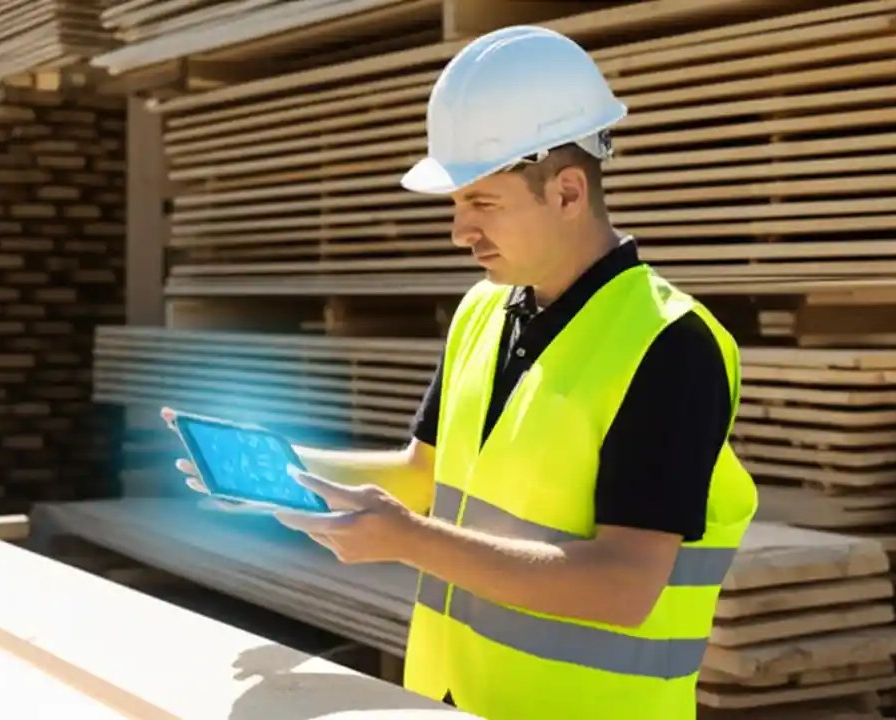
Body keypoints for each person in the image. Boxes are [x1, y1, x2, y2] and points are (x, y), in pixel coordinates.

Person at [166, 25, 758, 720]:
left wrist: (408, 541)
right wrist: (286, 473)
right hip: (451, 703)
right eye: (456, 205)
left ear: (568, 192)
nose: (459, 230)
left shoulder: (670, 345)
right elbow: (424, 478)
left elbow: (624, 587)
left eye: (482, 202)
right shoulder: (483, 312)